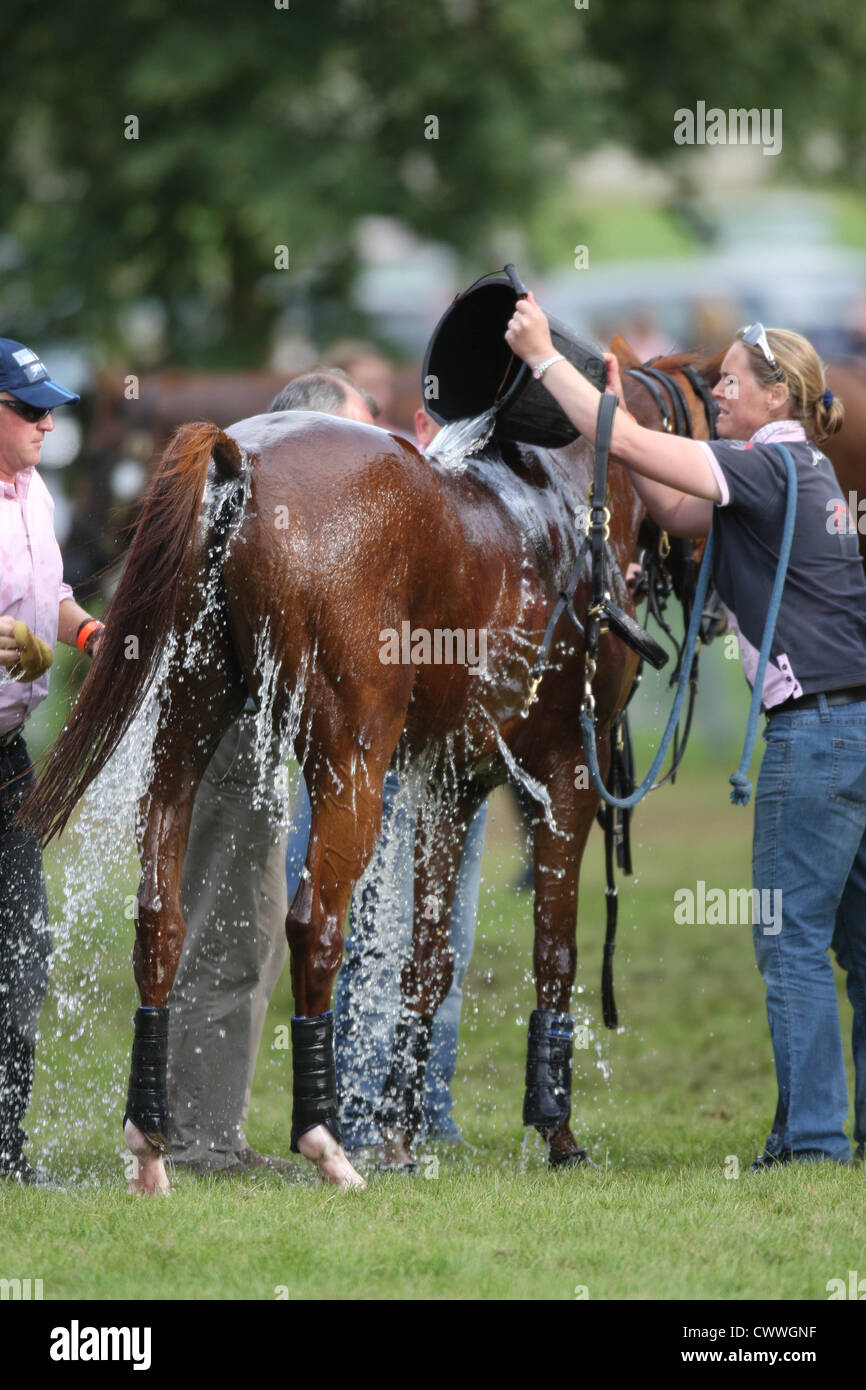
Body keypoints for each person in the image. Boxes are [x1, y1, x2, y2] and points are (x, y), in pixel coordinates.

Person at [505, 293, 866, 1166]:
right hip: (854, 728)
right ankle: (832, 1134)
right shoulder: (802, 471)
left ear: (778, 396)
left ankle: (814, 1145)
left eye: (732, 383)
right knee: (857, 948)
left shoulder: (760, 463)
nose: (720, 395)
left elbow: (630, 448)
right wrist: (618, 416)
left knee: (790, 946)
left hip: (815, 741)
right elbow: (674, 510)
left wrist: (547, 356)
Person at [167, 368, 381, 1174]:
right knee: (230, 922)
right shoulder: (262, 502)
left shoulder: (247, 493)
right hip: (236, 735)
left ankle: (201, 1129)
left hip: (249, 729)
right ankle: (195, 1139)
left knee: (245, 924)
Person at [287, 406, 489, 1153]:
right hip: (370, 745)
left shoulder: (444, 512)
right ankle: (355, 1112)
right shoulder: (331, 527)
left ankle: (423, 1104)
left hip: (434, 747)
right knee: (364, 934)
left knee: (443, 938)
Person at [0, 338, 103, 1182]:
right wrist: (19, 647)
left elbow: (50, 600)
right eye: (28, 409)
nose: (45, 423)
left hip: (7, 763)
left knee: (25, 952)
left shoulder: (36, 492)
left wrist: (85, 633)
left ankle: (7, 1149)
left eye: (48, 409)